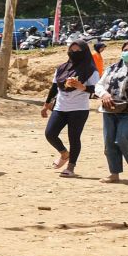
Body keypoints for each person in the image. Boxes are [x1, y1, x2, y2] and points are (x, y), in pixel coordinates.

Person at [42, 40, 99, 178]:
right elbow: (55, 87)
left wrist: (82, 87)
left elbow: (97, 91)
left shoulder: (91, 70)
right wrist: (46, 104)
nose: (74, 53)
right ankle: (64, 154)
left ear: (84, 52)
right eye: (71, 51)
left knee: (74, 138)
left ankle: (71, 167)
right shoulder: (62, 68)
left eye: (77, 51)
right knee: (50, 133)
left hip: (79, 109)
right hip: (61, 107)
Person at [96, 40, 128, 183]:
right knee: (109, 142)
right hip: (109, 109)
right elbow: (99, 85)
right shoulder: (112, 68)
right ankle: (114, 173)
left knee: (123, 138)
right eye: (126, 49)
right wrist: (104, 94)